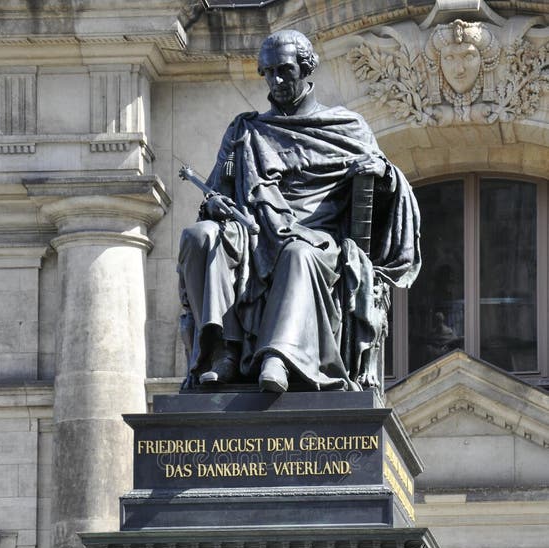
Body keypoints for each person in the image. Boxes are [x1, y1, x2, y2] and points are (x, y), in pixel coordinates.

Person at [178, 29, 420, 392]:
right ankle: (223, 350)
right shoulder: (246, 131)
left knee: (297, 253)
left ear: (306, 69)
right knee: (200, 236)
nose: (275, 81)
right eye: (268, 73)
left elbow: (389, 191)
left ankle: (277, 357)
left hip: (318, 239)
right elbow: (219, 192)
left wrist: (384, 173)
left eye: (285, 71)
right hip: (254, 232)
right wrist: (214, 204)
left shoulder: (347, 127)